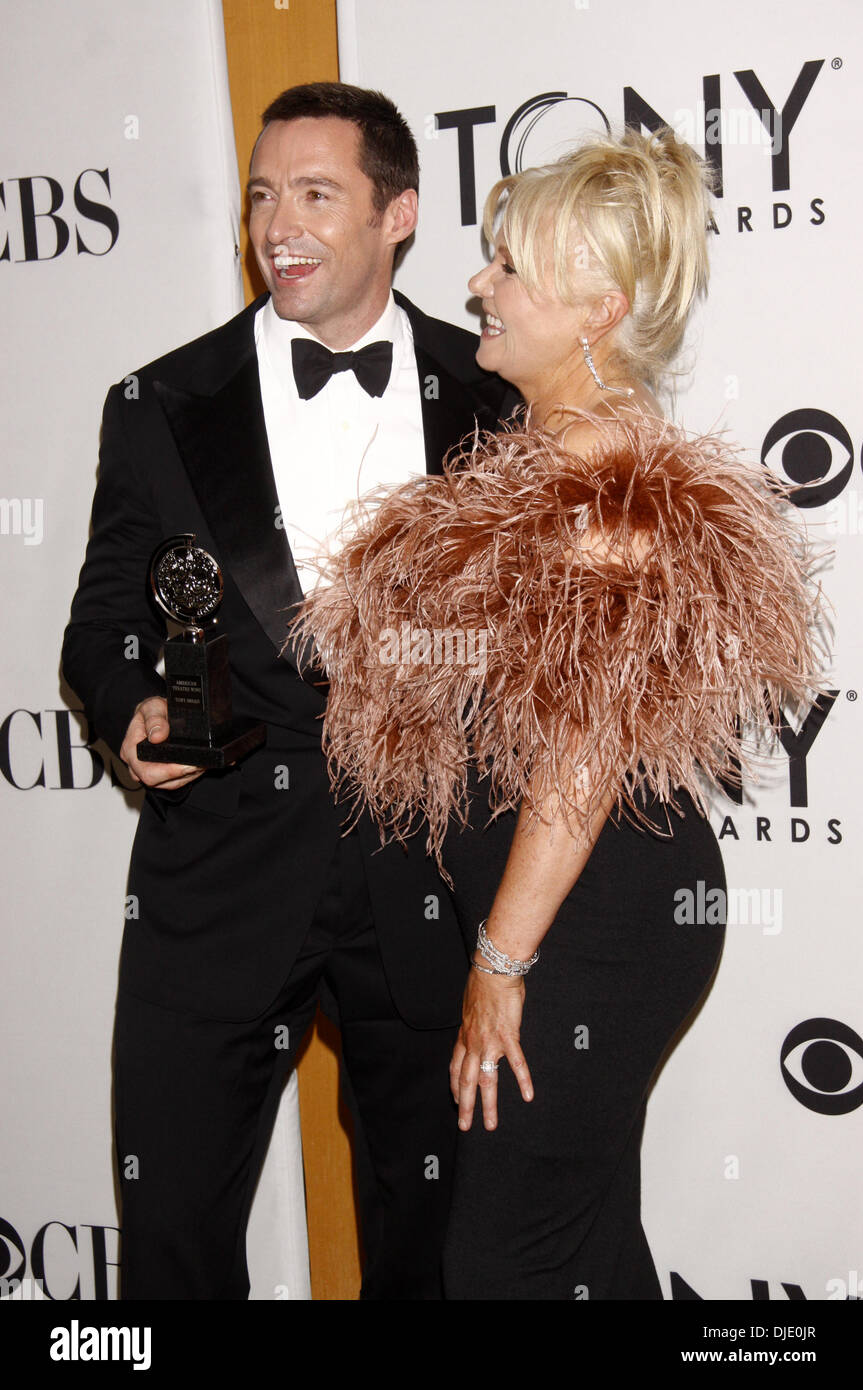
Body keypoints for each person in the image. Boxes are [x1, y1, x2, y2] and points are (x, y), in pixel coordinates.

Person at [291, 127, 824, 1299]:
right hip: (558, 905)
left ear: (597, 307)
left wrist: (499, 956)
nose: (477, 282)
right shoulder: (541, 451)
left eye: (509, 268)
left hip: (594, 917)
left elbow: (586, 745)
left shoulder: (605, 468)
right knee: (573, 1246)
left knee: (502, 1256)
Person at [61, 81, 515, 1300]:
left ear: (399, 212)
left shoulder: (492, 396)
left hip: (425, 876)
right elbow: (104, 625)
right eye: (263, 196)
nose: (279, 225)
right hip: (218, 879)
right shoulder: (160, 402)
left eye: (316, 193)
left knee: (431, 1246)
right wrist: (127, 712)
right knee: (174, 1245)